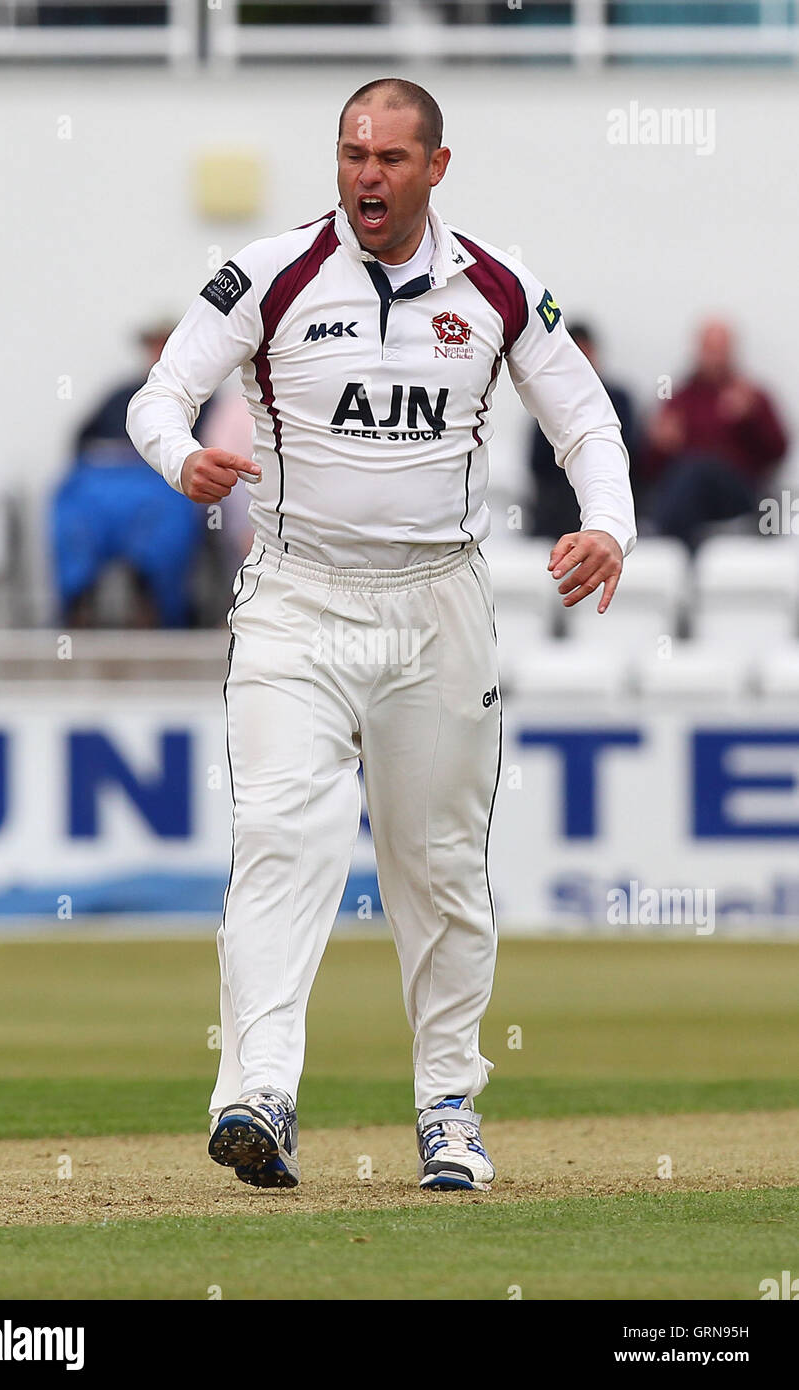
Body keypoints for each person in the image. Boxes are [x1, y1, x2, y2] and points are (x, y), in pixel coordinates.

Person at [127, 78, 636, 1192]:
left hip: (436, 606)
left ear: (434, 168)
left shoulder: (497, 284)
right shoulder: (267, 273)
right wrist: (182, 463)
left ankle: (447, 1105)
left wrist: (606, 523)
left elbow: (584, 419)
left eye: (391, 157)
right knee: (277, 838)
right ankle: (258, 1090)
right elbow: (157, 398)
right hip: (296, 599)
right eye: (352, 153)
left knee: (439, 868)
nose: (367, 174)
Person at [51, 323, 205, 627]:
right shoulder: (123, 393)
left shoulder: (202, 398)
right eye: (154, 345)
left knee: (165, 519)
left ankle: (155, 599)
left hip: (161, 482)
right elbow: (82, 437)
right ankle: (78, 596)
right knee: (70, 503)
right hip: (102, 481)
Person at [642, 319, 788, 548]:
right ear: (698, 351)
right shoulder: (678, 398)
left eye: (721, 350)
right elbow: (650, 467)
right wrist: (661, 446)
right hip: (689, 494)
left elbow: (778, 451)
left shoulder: (752, 395)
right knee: (691, 473)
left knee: (699, 467)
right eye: (711, 350)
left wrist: (751, 419)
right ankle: (677, 549)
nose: (716, 358)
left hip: (739, 491)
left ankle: (661, 536)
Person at [528, 321, 637, 540]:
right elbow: (537, 462)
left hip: (604, 491)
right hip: (561, 498)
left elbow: (632, 450)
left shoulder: (618, 397)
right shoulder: (546, 401)